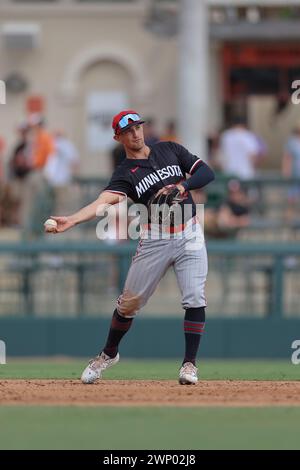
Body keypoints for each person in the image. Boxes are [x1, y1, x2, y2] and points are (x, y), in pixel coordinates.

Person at [46, 110, 215, 385]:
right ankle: (109, 353)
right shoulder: (125, 173)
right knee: (128, 304)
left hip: (190, 232)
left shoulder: (169, 149)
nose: (135, 134)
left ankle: (189, 364)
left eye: (137, 127)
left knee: (195, 297)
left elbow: (206, 173)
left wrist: (183, 187)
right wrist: (73, 219)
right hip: (156, 237)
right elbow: (103, 201)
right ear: (118, 137)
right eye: (128, 131)